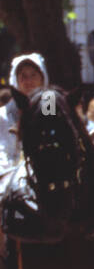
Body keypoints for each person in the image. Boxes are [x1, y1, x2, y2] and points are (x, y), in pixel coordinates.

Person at [0, 53, 48, 187]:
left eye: (33, 75)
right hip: (10, 176)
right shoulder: (3, 114)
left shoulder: (50, 106)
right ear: (16, 80)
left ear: (42, 78)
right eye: (23, 76)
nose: (29, 81)